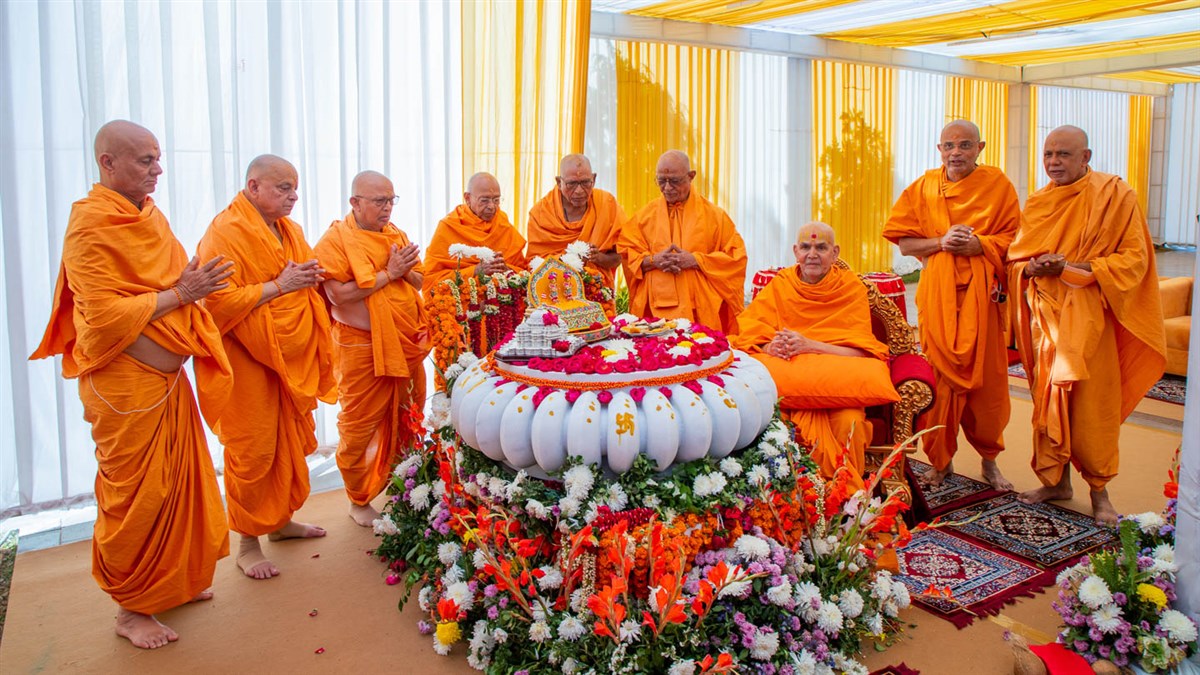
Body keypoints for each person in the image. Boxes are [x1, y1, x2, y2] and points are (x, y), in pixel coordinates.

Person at [31, 120, 234, 648]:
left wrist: (188, 284)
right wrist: (183, 293)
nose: (158, 169)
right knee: (138, 496)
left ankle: (173, 580)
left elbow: (165, 282)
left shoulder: (149, 215)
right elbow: (100, 317)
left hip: (168, 382)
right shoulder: (91, 223)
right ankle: (130, 609)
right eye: (146, 160)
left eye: (158, 158)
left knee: (178, 487)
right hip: (124, 387)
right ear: (108, 162)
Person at [1008, 125, 1165, 525]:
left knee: (1093, 406)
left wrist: (1071, 268)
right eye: (1048, 154)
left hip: (1091, 318)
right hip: (1046, 318)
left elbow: (1134, 260)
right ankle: (1055, 482)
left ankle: (1100, 492)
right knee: (1047, 401)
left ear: (1086, 157)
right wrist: (1032, 268)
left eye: (1063, 154)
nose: (1053, 162)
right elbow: (1016, 260)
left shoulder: (1115, 195)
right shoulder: (1039, 201)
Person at [196, 155, 336, 579]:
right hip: (246, 358)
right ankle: (247, 543)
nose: (294, 197)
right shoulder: (225, 232)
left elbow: (300, 282)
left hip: (287, 359)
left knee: (284, 446)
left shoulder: (290, 230)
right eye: (283, 188)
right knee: (252, 450)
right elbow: (215, 303)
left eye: (295, 188)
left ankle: (279, 522)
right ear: (253, 186)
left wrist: (309, 277)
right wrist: (280, 285)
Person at [882, 120, 1018, 490]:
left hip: (982, 301)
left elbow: (1015, 241)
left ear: (980, 147)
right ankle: (941, 461)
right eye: (949, 146)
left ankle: (990, 461)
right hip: (939, 298)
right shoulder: (924, 188)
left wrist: (981, 245)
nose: (956, 153)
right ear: (939, 149)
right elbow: (906, 244)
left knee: (988, 386)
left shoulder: (998, 186)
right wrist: (941, 241)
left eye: (964, 145)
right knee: (940, 383)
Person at [734, 222, 897, 485]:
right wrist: (768, 347)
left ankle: (841, 493)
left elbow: (862, 353)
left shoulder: (849, 288)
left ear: (835, 252)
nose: (812, 254)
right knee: (775, 424)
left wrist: (809, 346)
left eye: (821, 248)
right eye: (806, 247)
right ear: (795, 251)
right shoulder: (781, 286)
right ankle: (793, 497)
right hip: (792, 393)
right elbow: (748, 334)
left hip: (839, 393)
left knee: (851, 424)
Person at [314, 171, 431, 526]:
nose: (387, 207)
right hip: (360, 346)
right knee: (359, 426)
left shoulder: (396, 235)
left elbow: (419, 280)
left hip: (404, 342)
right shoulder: (336, 240)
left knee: (407, 415)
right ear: (355, 202)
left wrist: (405, 270)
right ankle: (358, 498)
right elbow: (338, 295)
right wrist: (390, 273)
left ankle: (403, 484)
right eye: (380, 201)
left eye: (391, 200)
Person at [617, 150, 747, 334]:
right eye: (661, 181)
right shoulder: (644, 217)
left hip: (699, 309)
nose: (667, 187)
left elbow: (736, 258)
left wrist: (696, 260)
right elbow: (627, 254)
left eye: (674, 181)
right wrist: (654, 261)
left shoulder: (715, 216)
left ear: (691, 176)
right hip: (654, 311)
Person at [526, 153, 624, 288]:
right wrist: (566, 260)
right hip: (553, 290)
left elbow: (621, 255)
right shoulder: (541, 213)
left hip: (596, 291)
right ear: (559, 182)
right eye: (571, 184)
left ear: (594, 179)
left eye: (585, 182)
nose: (579, 191)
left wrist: (598, 258)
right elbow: (535, 264)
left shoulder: (607, 205)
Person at [422, 172, 528, 294]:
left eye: (496, 200)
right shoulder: (449, 226)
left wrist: (506, 269)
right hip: (461, 301)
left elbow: (524, 273)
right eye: (484, 200)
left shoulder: (503, 224)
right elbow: (432, 279)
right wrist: (474, 271)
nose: (492, 206)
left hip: (501, 300)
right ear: (467, 198)